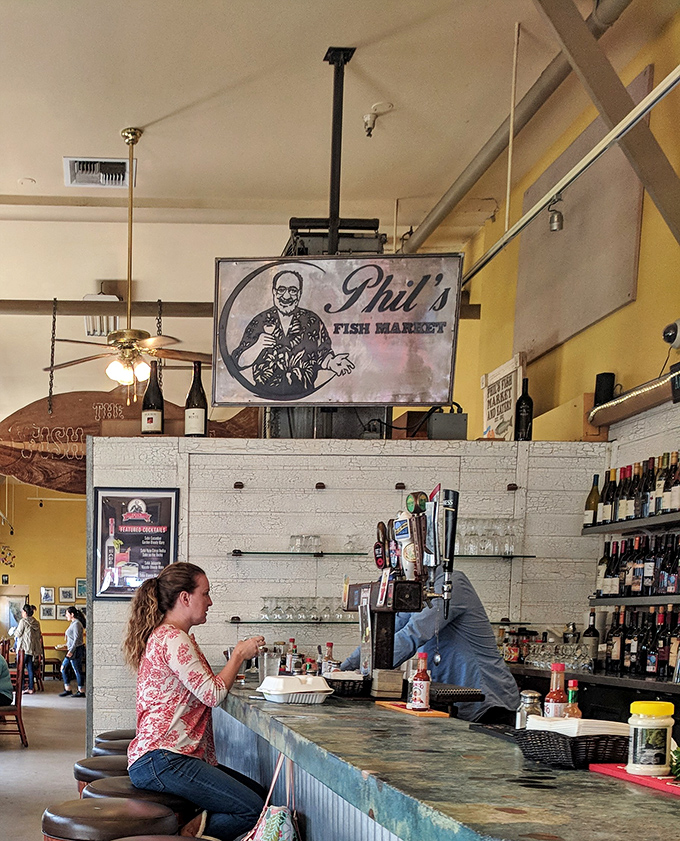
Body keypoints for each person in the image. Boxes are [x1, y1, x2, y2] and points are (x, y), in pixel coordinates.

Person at [123, 562, 266, 841]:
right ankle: (185, 834)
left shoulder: (171, 636)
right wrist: (238, 655)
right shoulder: (174, 639)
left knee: (258, 795)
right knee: (252, 808)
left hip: (163, 756)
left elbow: (197, 686)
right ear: (185, 598)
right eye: (206, 593)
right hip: (164, 758)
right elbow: (212, 693)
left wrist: (230, 673)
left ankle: (193, 826)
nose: (210, 601)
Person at [341, 567, 520, 723]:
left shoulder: (450, 584)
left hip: (489, 702)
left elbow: (412, 634)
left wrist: (358, 672)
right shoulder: (418, 589)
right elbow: (386, 633)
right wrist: (344, 669)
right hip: (453, 701)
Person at [231, 269, 354, 398]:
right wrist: (257, 347)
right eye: (281, 289)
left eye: (293, 290)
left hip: (306, 398)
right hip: (264, 398)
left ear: (300, 294)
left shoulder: (312, 321)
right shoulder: (260, 321)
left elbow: (322, 355)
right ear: (274, 292)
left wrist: (332, 363)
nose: (286, 296)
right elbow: (237, 363)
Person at [14, 603, 42, 693]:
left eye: (22, 611)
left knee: (20, 668)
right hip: (32, 649)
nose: (22, 613)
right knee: (30, 668)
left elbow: (18, 634)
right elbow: (38, 636)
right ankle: (31, 688)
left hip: (24, 649)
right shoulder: (36, 623)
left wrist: (14, 631)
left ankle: (21, 687)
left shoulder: (23, 621)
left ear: (25, 612)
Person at [59, 606, 86, 697]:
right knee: (64, 668)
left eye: (67, 614)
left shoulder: (77, 624)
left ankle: (81, 691)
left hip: (75, 650)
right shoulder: (73, 623)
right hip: (73, 649)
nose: (66, 616)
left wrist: (71, 651)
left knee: (76, 670)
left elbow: (77, 639)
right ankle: (68, 689)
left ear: (72, 614)